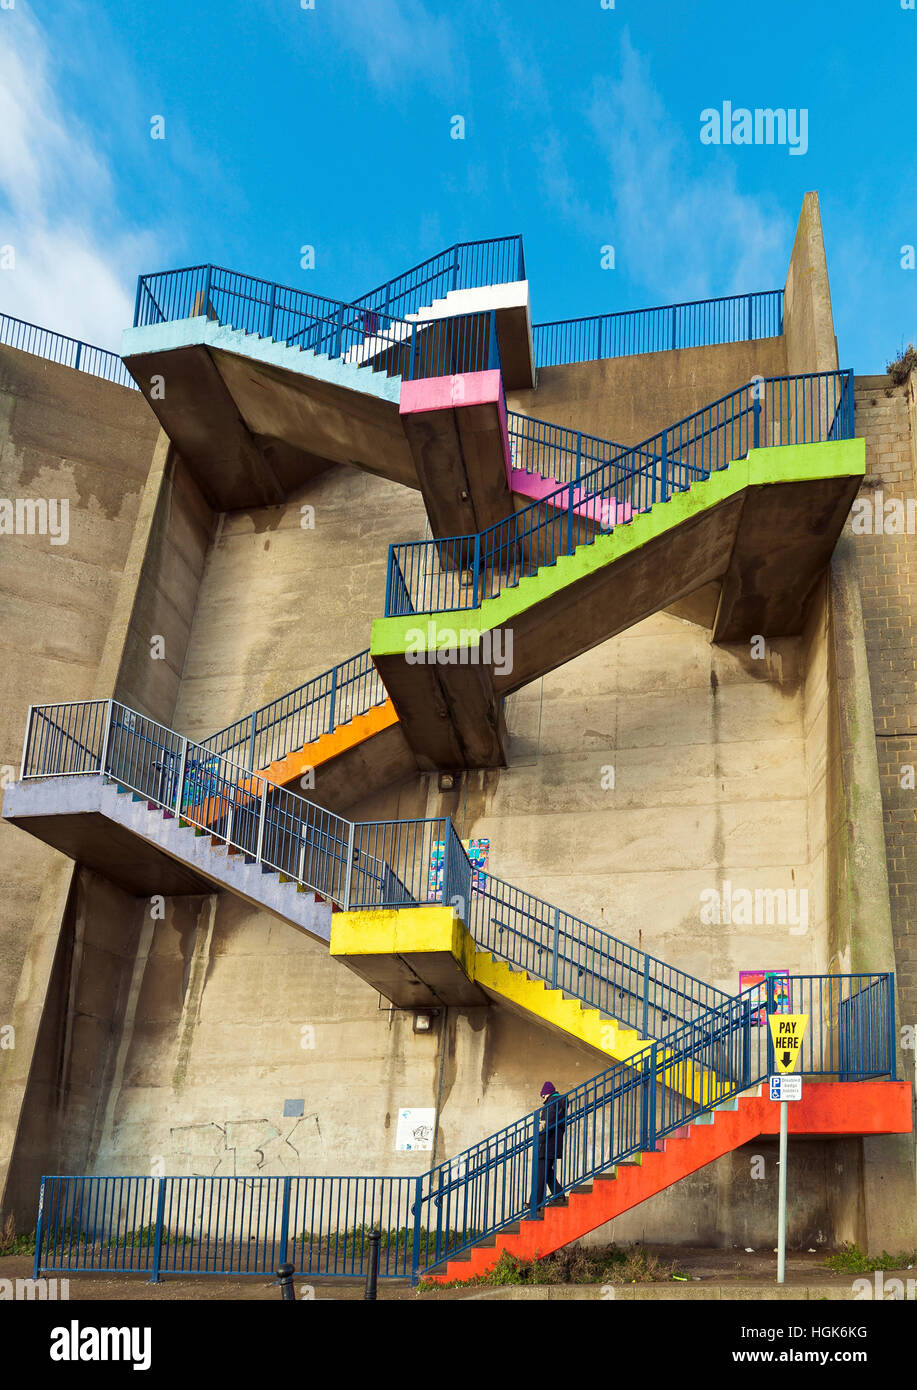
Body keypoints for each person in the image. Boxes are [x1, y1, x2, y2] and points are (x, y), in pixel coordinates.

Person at [533, 1081, 567, 1209]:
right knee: (546, 1172)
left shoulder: (551, 1104)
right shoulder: (558, 1103)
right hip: (553, 1143)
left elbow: (546, 1124)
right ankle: (558, 1194)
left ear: (547, 1094)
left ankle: (535, 1204)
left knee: (541, 1173)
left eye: (543, 1096)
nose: (542, 1099)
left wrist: (540, 1140)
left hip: (547, 1143)